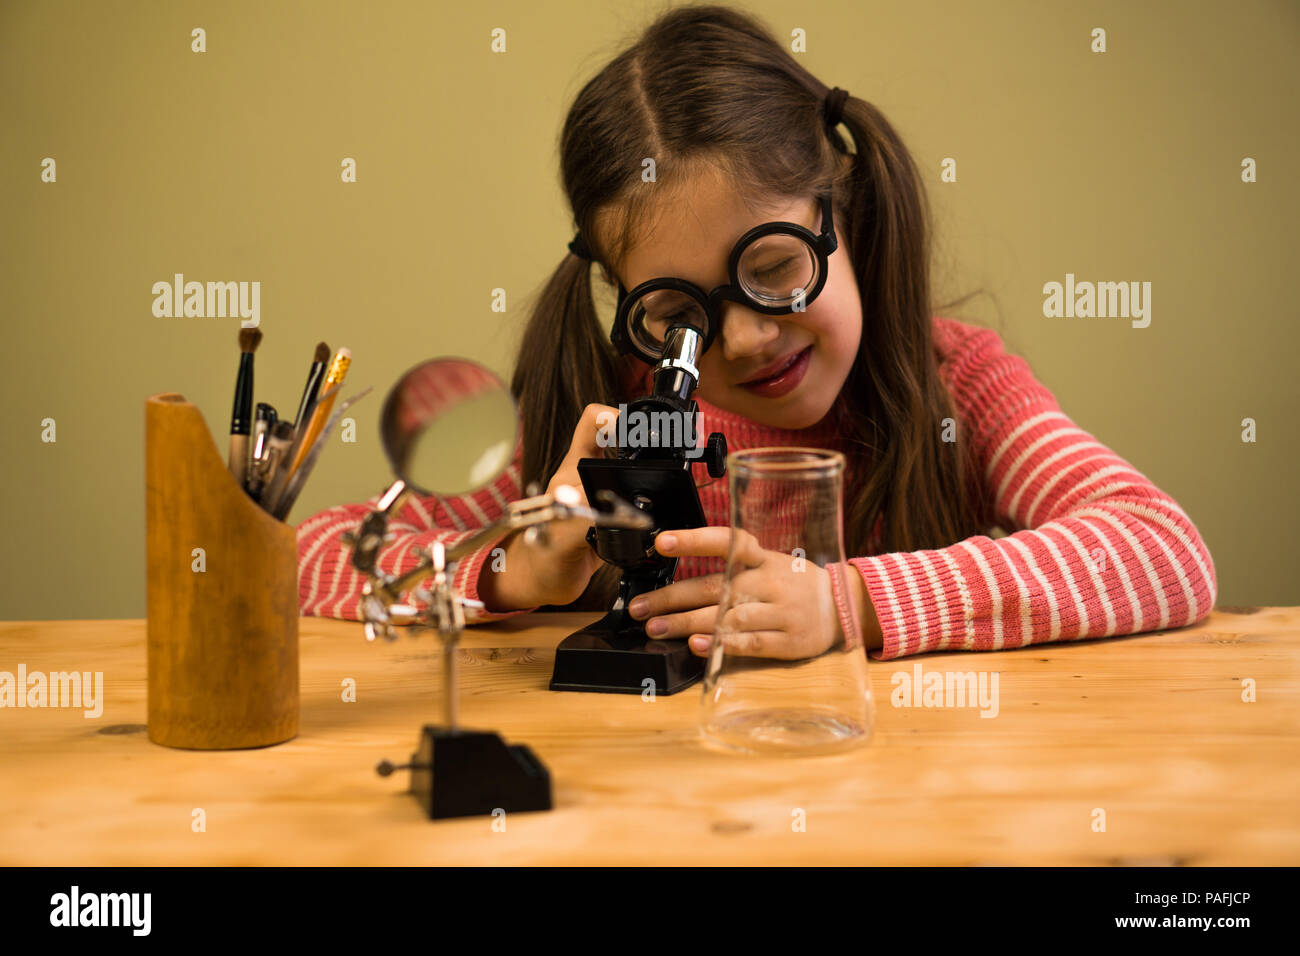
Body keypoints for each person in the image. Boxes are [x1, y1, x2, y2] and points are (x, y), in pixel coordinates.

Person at [297, 5, 1216, 661]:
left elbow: (1161, 548)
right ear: (625, 299)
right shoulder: (610, 413)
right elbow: (314, 557)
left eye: (772, 269)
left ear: (842, 208)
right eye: (676, 315)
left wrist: (846, 601)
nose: (739, 340)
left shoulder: (959, 385)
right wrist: (514, 571)